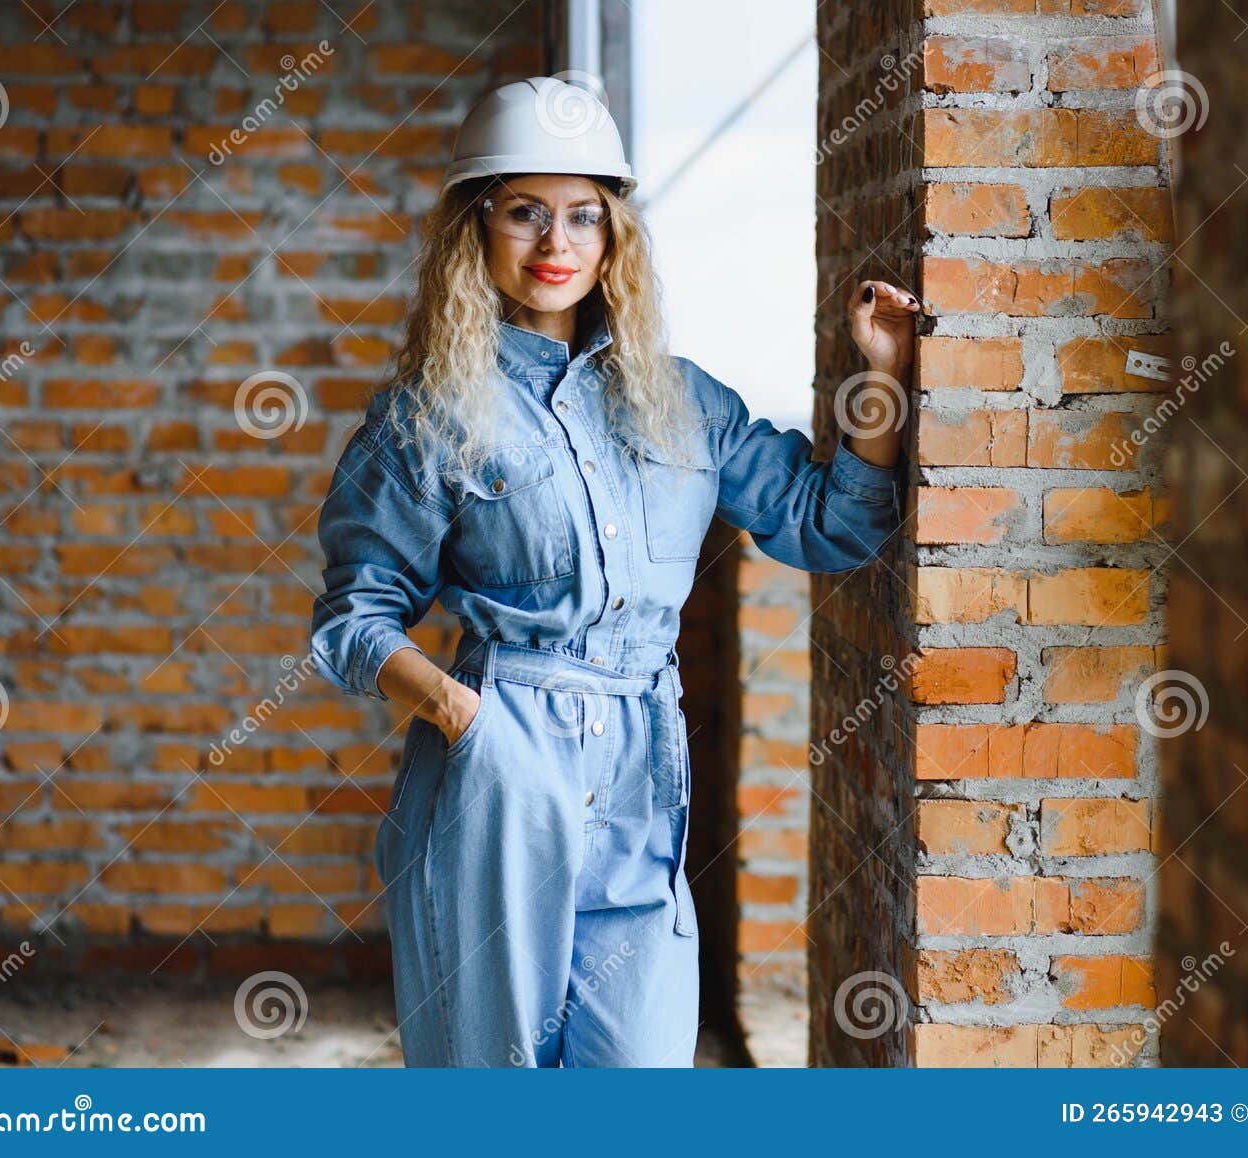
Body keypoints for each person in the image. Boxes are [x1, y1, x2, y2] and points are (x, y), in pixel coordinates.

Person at [307, 76, 919, 1067]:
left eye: (582, 216)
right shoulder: (425, 417)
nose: (556, 243)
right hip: (500, 750)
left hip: (644, 752)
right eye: (525, 213)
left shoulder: (683, 402)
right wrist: (470, 723)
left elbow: (829, 529)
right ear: (478, 228)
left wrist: (882, 371)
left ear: (613, 236)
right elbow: (353, 621)